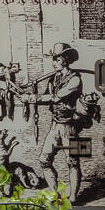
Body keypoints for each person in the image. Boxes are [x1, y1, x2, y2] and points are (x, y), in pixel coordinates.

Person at [31, 43, 84, 201]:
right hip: (55, 125)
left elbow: (54, 98)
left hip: (71, 127)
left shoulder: (75, 79)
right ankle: (56, 195)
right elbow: (46, 96)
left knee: (73, 162)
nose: (53, 62)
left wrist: (31, 98)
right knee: (44, 161)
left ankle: (73, 197)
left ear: (65, 60)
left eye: (56, 59)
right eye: (53, 59)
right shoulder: (53, 79)